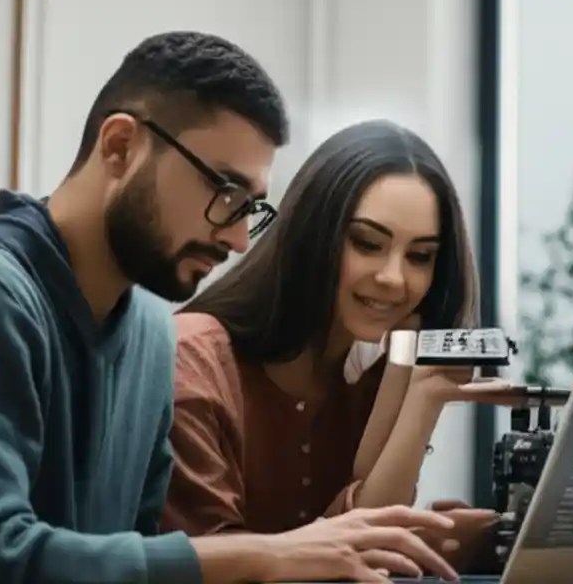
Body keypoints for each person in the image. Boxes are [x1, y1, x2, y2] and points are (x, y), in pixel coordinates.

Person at [0, 32, 459, 583]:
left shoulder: (152, 334)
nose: (240, 239)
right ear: (121, 146)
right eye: (224, 192)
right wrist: (268, 555)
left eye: (250, 206)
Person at [163, 119, 506, 570]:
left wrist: (418, 390)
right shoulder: (193, 359)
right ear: (313, 236)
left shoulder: (369, 379)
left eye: (420, 256)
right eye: (367, 243)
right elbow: (216, 566)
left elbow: (364, 542)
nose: (394, 278)